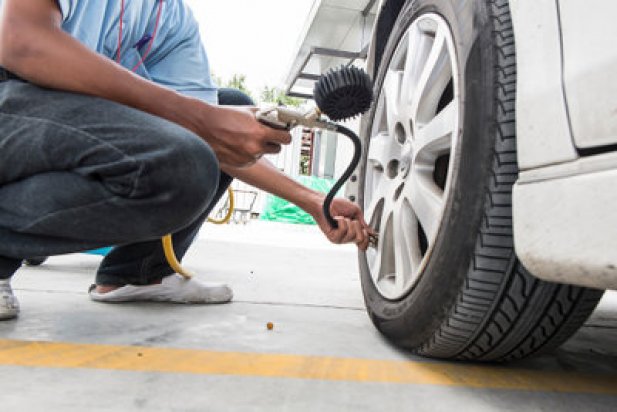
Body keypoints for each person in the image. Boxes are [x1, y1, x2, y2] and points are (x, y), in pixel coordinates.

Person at [0, 0, 371, 320]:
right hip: (10, 97)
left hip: (66, 122)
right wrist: (202, 120)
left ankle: (139, 273)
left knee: (227, 109)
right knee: (193, 141)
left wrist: (312, 202)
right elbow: (22, 42)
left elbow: (215, 139)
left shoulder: (170, 17)